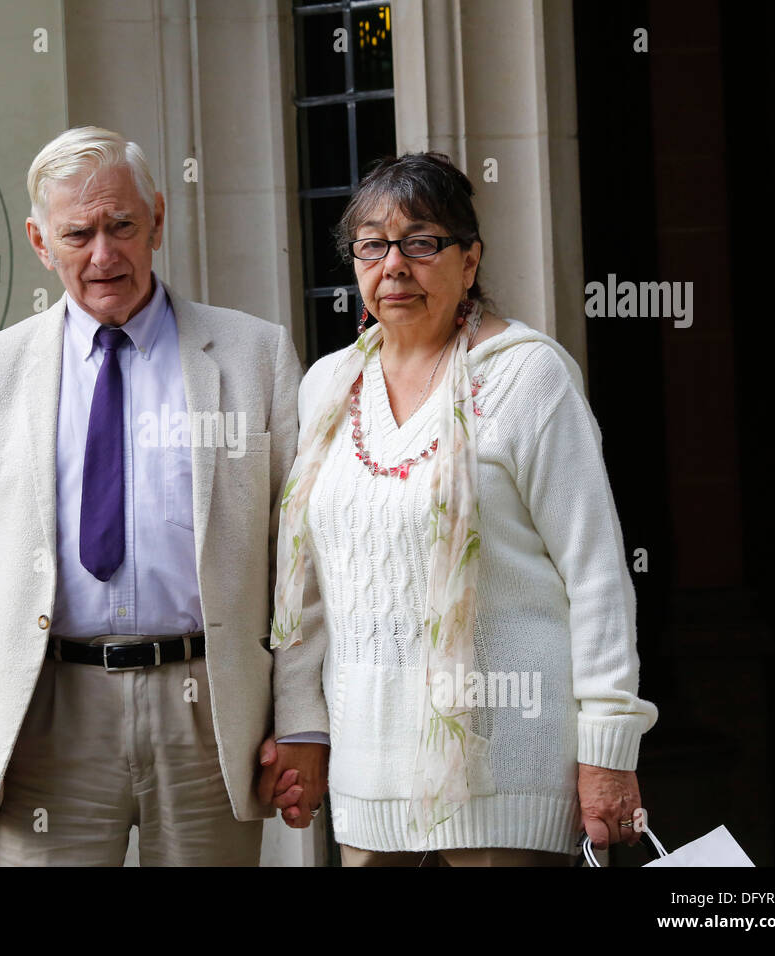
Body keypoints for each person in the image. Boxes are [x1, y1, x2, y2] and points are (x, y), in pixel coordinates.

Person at [0, 126, 303, 865]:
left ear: (157, 217)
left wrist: (301, 719)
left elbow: (297, 566)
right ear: (40, 241)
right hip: (45, 715)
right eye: (78, 233)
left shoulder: (256, 355)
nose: (104, 254)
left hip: (209, 710)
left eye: (123, 225)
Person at [267, 152, 659, 865]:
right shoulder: (327, 387)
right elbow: (308, 589)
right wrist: (304, 727)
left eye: (422, 242)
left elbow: (597, 573)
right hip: (369, 772)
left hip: (506, 763)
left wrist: (608, 748)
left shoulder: (528, 376)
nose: (395, 264)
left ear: (470, 259)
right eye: (372, 245)